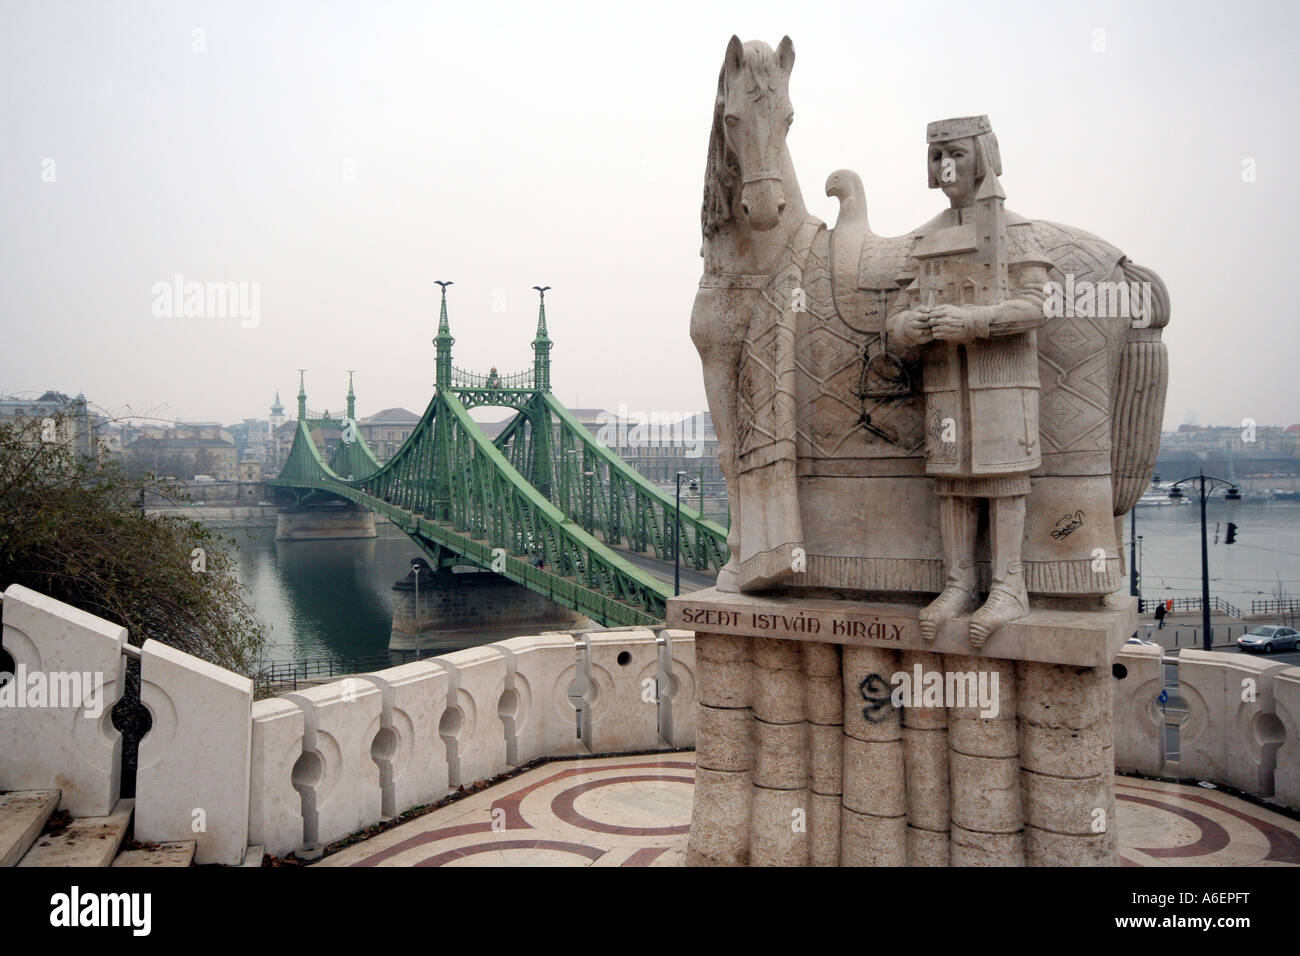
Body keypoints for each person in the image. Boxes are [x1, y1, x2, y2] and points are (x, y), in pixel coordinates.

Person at [886, 115, 1053, 646]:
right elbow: (897, 316)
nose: (946, 165)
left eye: (955, 153)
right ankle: (958, 582)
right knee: (953, 483)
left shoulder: (1015, 228)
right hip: (944, 383)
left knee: (1003, 479)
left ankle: (1009, 586)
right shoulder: (928, 237)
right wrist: (907, 327)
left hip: (1000, 381)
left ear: (981, 156)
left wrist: (974, 322)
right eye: (937, 156)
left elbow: (1037, 304)